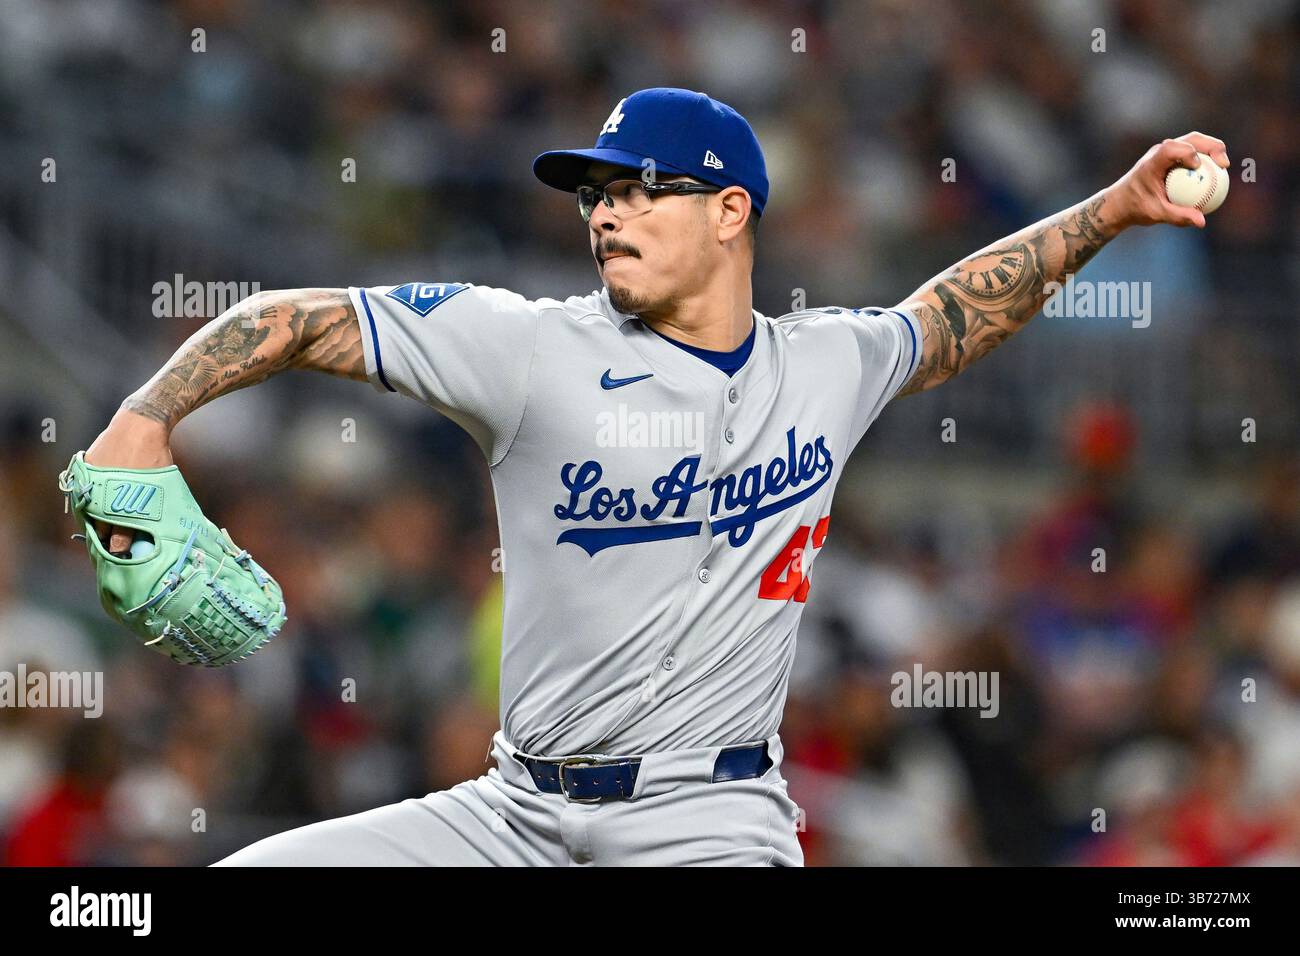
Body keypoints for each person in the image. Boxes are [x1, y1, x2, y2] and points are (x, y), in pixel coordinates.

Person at [82, 88, 1228, 866]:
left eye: (642, 187)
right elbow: (299, 318)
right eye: (596, 192)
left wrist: (1115, 208)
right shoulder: (526, 346)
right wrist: (145, 416)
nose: (608, 210)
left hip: (708, 818)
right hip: (512, 813)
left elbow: (956, 315)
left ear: (732, 210)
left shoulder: (825, 364)